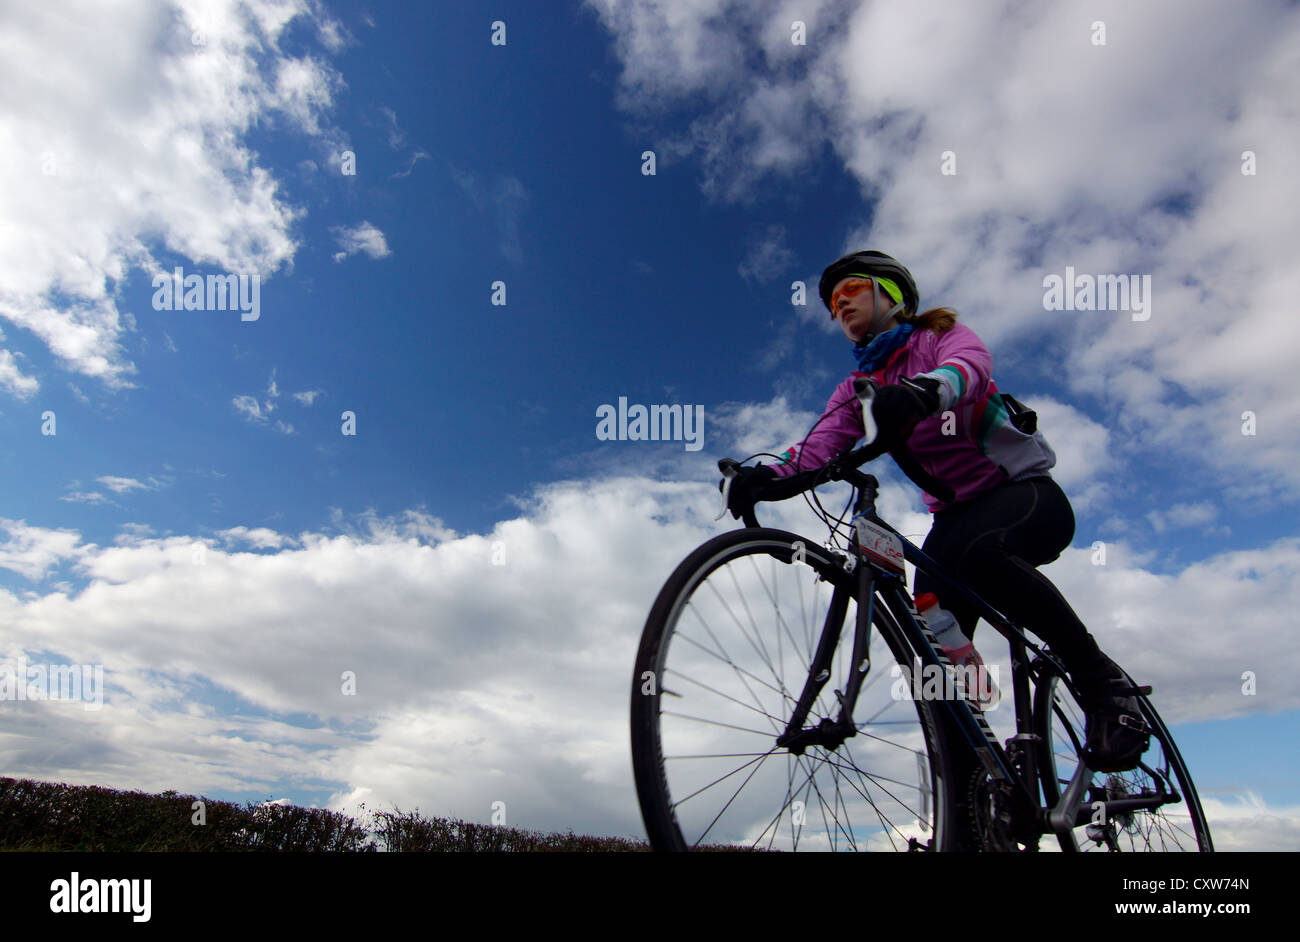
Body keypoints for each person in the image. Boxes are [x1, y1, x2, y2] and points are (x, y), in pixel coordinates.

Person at [722, 250, 1149, 791]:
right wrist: (765, 475)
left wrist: (924, 391)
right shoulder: (856, 391)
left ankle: (1104, 685)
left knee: (979, 556)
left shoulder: (941, 338)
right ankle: (975, 794)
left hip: (1025, 495)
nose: (840, 304)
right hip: (953, 520)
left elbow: (968, 369)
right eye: (831, 303)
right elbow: (817, 447)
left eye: (850, 288)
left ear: (893, 294)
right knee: (930, 641)